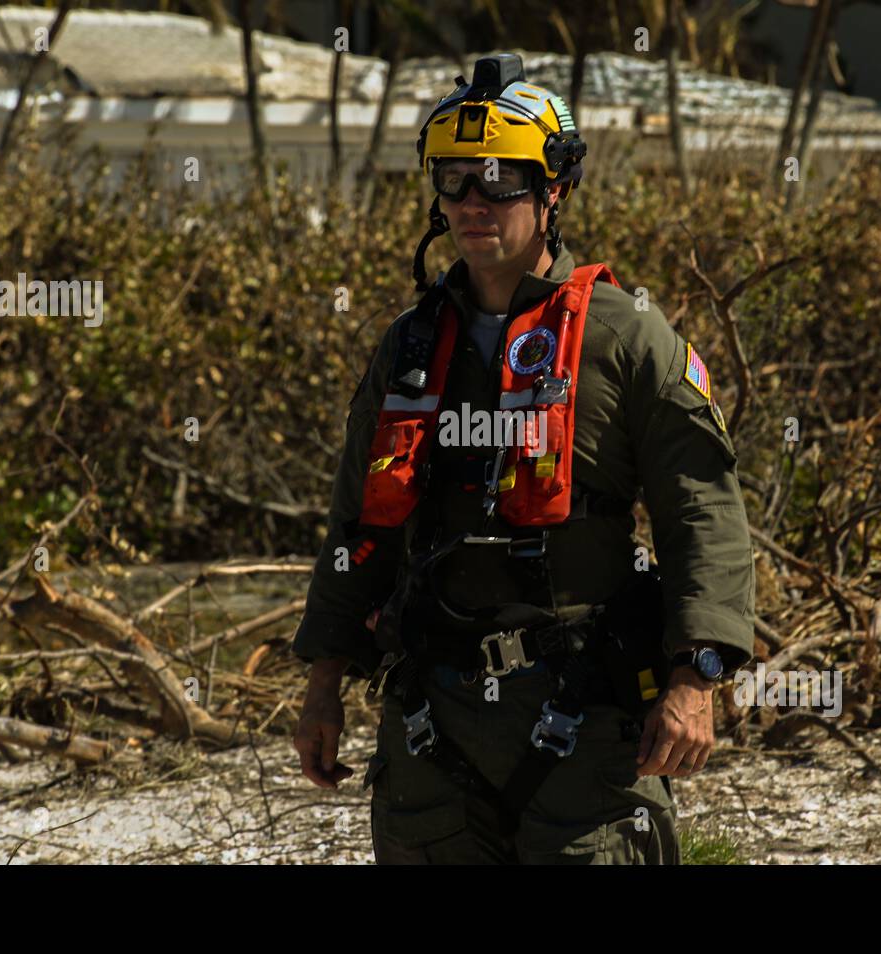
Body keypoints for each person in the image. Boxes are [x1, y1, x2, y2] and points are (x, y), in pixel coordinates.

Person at [291, 53, 755, 864]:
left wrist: (694, 680)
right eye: (454, 178)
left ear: (555, 190)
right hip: (430, 726)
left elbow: (703, 512)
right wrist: (324, 681)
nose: (473, 202)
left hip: (586, 725)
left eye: (502, 178)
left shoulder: (626, 339)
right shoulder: (408, 348)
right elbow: (356, 522)